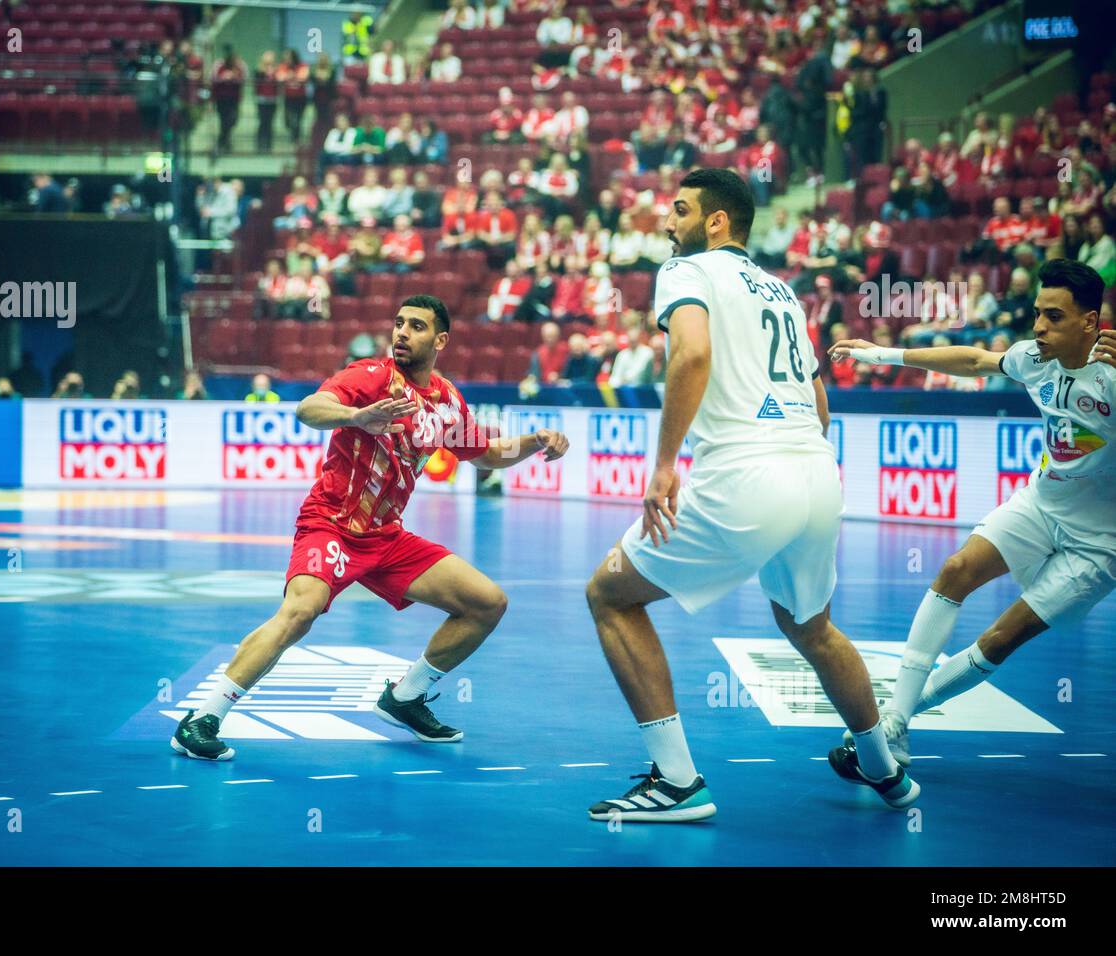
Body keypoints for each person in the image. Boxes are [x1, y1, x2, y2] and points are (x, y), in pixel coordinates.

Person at [584, 169, 920, 823]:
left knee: (609, 596)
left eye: (680, 210)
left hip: (745, 477)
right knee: (810, 626)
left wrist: (662, 467)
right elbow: (819, 401)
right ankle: (883, 767)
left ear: (716, 221)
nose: (668, 221)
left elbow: (690, 358)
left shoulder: (689, 272)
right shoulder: (785, 293)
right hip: (816, 474)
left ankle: (678, 784)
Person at [170, 295, 570, 760]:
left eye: (416, 326)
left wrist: (534, 441)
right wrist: (356, 417)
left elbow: (484, 455)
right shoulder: (372, 377)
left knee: (486, 603)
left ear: (440, 340)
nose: (402, 332)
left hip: (386, 537)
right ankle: (203, 718)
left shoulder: (445, 401)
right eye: (398, 323)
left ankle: (404, 698)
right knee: (301, 612)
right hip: (332, 523)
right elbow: (309, 409)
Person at [828, 259, 1116, 766]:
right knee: (955, 569)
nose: (1038, 327)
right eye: (1037, 313)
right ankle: (892, 726)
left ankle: (902, 716)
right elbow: (976, 362)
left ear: (1090, 322)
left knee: (1000, 638)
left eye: (1054, 317)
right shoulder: (1035, 358)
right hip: (1041, 503)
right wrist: (887, 353)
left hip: (1099, 543)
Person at [211, 45, 247, 154]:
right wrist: (223, 77)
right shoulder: (219, 65)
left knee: (232, 119)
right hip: (221, 98)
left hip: (234, 98)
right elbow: (213, 78)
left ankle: (222, 141)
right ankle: (224, 142)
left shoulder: (239, 67)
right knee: (223, 120)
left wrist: (234, 77)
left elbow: (244, 79)